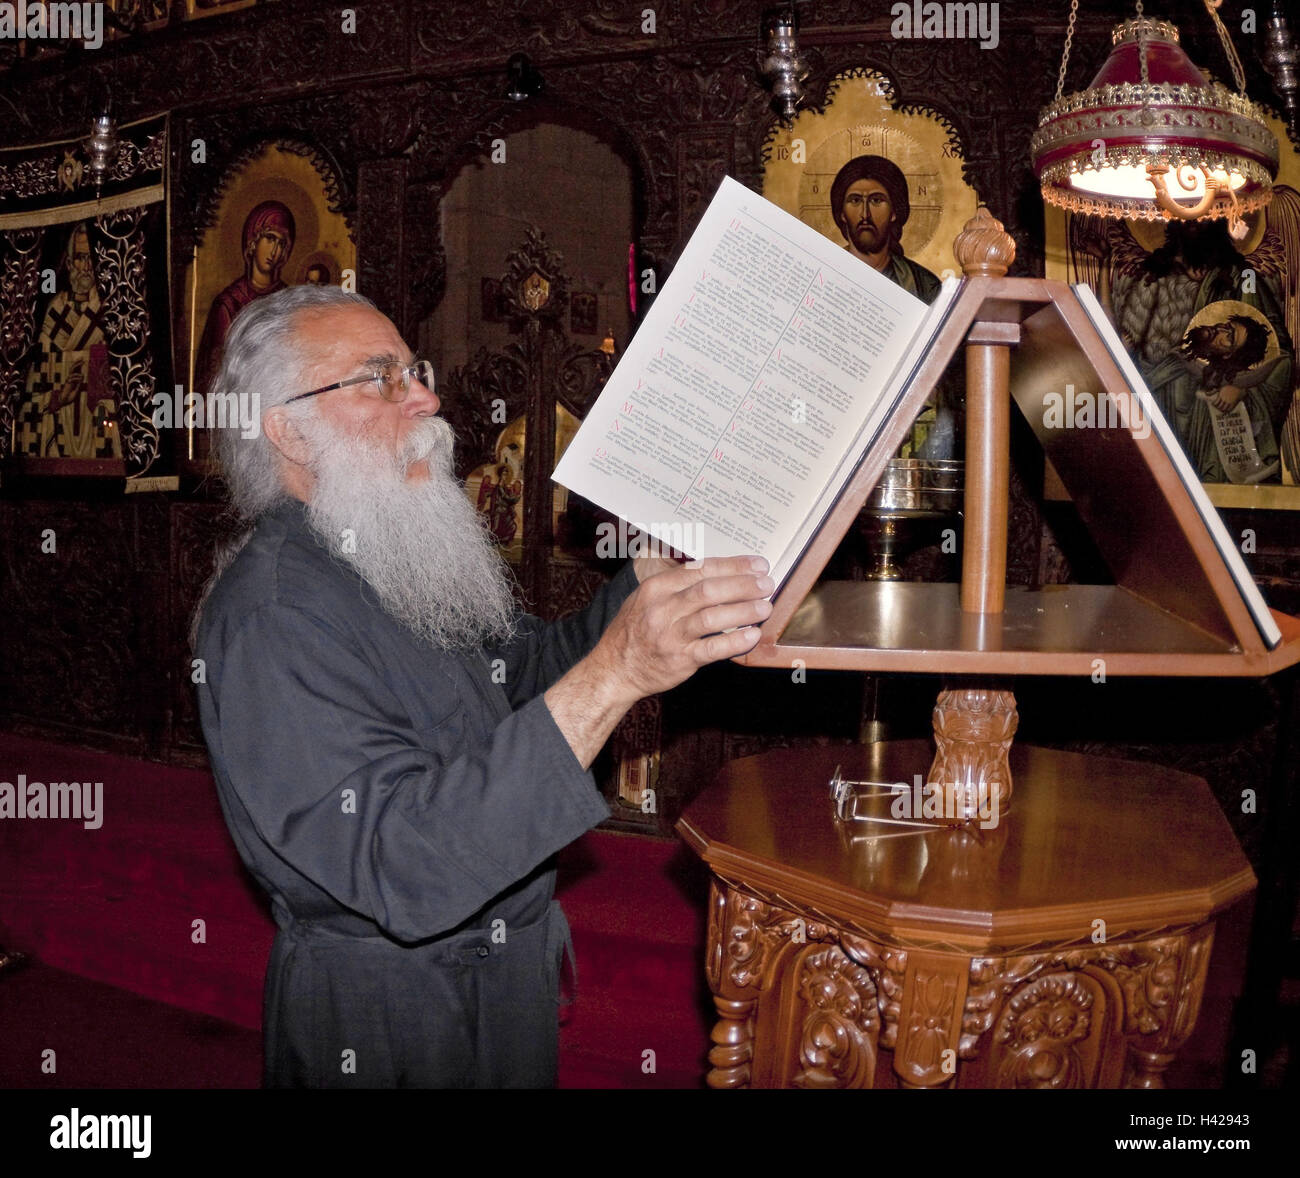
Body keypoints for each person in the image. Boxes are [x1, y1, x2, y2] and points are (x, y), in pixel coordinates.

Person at [193, 283, 772, 1088]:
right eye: (380, 377)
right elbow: (403, 861)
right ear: (287, 429)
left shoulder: (384, 549)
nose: (426, 397)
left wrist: (642, 580)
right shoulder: (276, 615)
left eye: (416, 370)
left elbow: (522, 673)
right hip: (387, 1021)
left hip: (498, 982)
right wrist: (618, 671)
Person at [194, 200, 296, 397]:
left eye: (281, 243)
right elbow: (216, 372)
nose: (274, 251)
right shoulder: (228, 303)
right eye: (269, 238)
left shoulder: (290, 301)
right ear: (253, 239)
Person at [829, 154, 941, 304]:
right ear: (842, 213)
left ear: (894, 212)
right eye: (855, 200)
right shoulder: (824, 273)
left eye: (876, 200)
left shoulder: (924, 286)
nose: (865, 215)